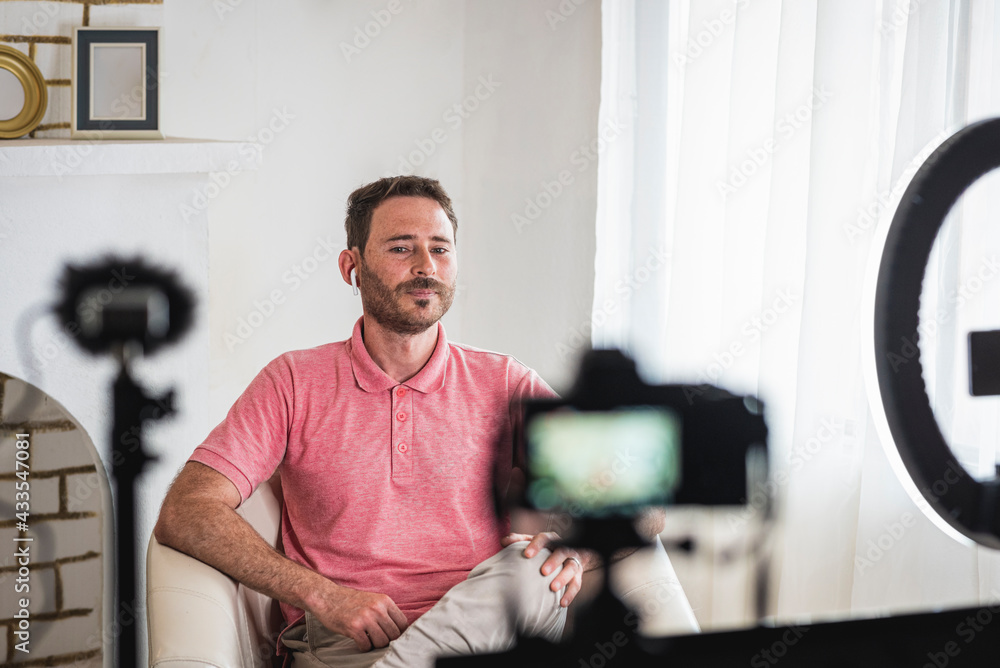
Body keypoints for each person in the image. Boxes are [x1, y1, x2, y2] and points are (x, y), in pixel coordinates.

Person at [154, 176, 672, 668]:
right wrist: (321, 594)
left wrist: (575, 551)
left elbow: (641, 502)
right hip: (351, 644)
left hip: (491, 639)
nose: (426, 264)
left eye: (440, 248)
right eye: (401, 247)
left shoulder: (505, 382)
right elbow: (186, 510)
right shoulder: (293, 381)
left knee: (529, 570)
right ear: (350, 266)